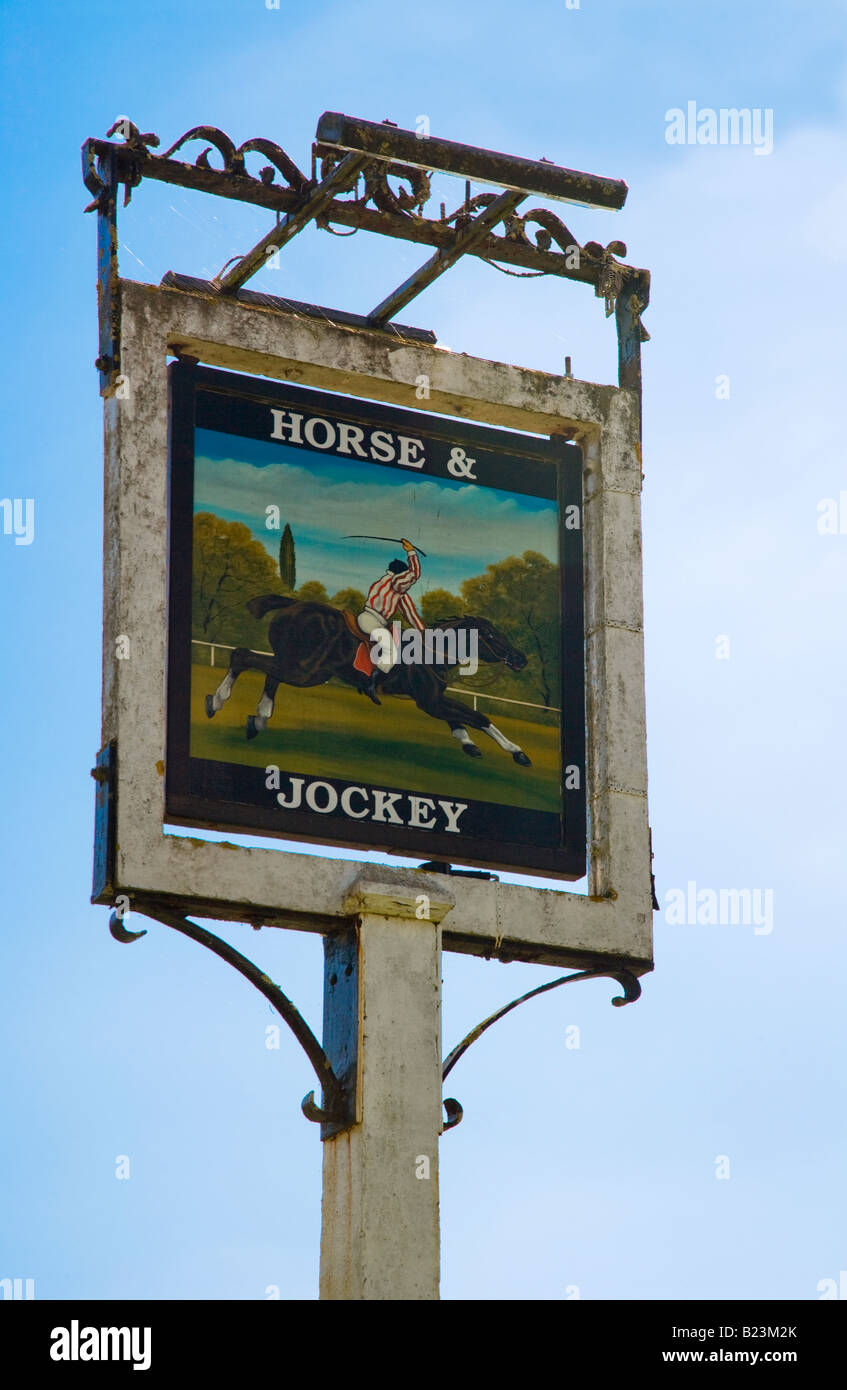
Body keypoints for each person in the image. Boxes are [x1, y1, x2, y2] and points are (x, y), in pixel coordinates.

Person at [357, 539, 425, 703]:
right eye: (405, 576)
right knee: (391, 651)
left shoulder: (390, 587)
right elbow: (414, 575)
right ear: (401, 574)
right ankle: (370, 683)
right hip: (371, 620)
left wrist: (423, 632)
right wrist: (411, 552)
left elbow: (409, 613)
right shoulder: (395, 582)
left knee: (396, 643)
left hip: (374, 620)